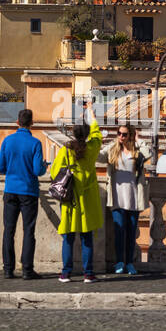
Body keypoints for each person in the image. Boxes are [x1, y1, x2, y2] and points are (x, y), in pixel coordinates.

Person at [49, 111, 103, 283]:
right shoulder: (92, 148)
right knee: (87, 236)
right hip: (87, 198)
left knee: (68, 237)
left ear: (73, 133)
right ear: (86, 135)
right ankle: (88, 273)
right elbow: (97, 134)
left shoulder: (66, 149)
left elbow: (54, 171)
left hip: (70, 197)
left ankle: (66, 272)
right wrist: (92, 114)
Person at [0, 108, 47, 280]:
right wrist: (44, 165)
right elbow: (37, 170)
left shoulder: (7, 141)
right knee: (28, 231)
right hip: (28, 192)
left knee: (8, 231)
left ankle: (8, 269)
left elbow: (0, 167)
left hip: (10, 190)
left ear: (17, 122)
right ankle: (27, 269)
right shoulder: (35, 143)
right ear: (32, 123)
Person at [105, 123, 152, 275]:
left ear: (130, 135)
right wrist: (113, 142)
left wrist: (138, 139)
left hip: (133, 197)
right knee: (119, 232)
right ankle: (119, 262)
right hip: (117, 197)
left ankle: (130, 263)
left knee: (131, 233)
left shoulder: (136, 151)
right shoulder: (113, 150)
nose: (121, 136)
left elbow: (149, 152)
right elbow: (99, 156)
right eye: (119, 133)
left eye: (124, 134)